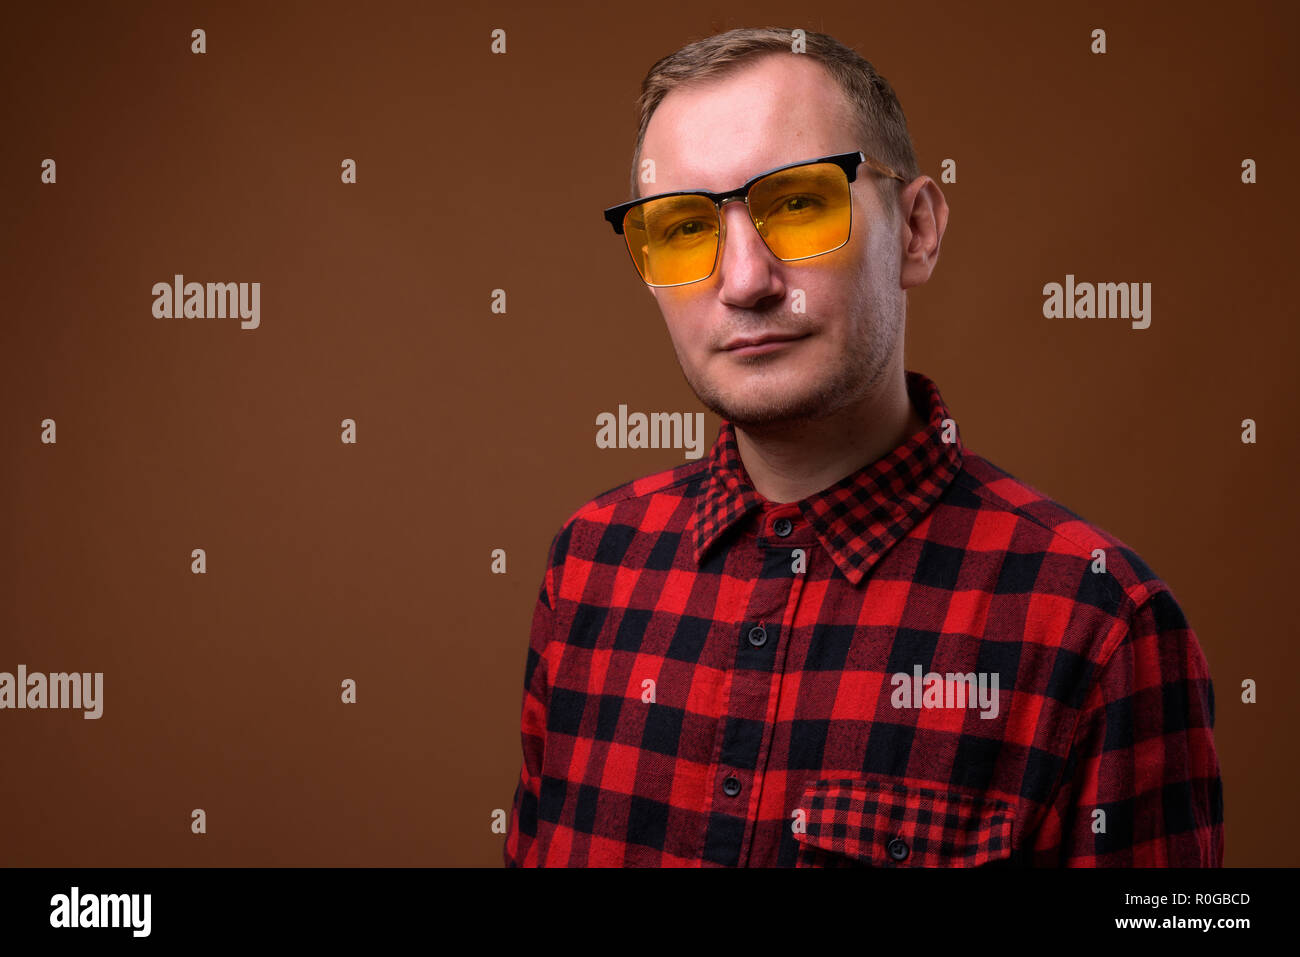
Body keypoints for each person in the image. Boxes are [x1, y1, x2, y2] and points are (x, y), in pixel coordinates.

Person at [503, 26, 1223, 867]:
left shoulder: (1100, 624)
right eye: (684, 227)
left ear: (915, 230)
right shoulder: (591, 562)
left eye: (800, 204)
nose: (744, 281)